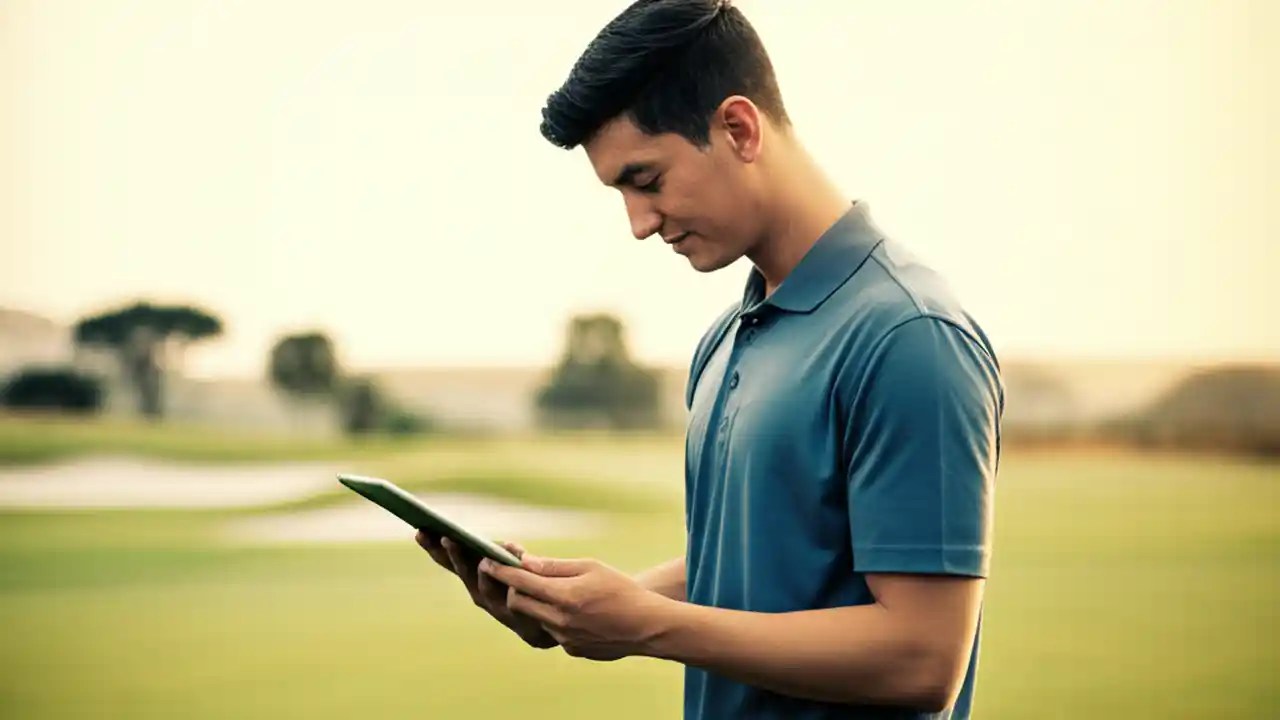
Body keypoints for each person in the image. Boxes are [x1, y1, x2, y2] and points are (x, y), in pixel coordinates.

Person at [416, 1, 1003, 717]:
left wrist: (647, 624)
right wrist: (578, 608)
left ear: (738, 128)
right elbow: (753, 570)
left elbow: (921, 658)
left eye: (647, 180)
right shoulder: (728, 336)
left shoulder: (909, 335)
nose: (638, 224)